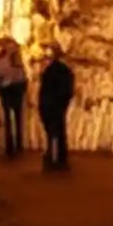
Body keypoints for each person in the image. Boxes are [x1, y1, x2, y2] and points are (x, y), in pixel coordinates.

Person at [38, 42, 75, 171]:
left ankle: (53, 158)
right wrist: (64, 102)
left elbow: (45, 90)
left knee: (52, 133)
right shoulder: (65, 71)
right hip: (58, 105)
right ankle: (60, 158)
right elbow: (69, 90)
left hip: (51, 105)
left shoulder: (50, 71)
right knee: (59, 132)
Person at [0, 38, 28, 158]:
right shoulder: (9, 60)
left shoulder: (12, 60)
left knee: (12, 118)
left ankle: (14, 144)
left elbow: (21, 77)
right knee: (12, 118)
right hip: (11, 90)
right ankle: (14, 144)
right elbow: (22, 77)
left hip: (12, 90)